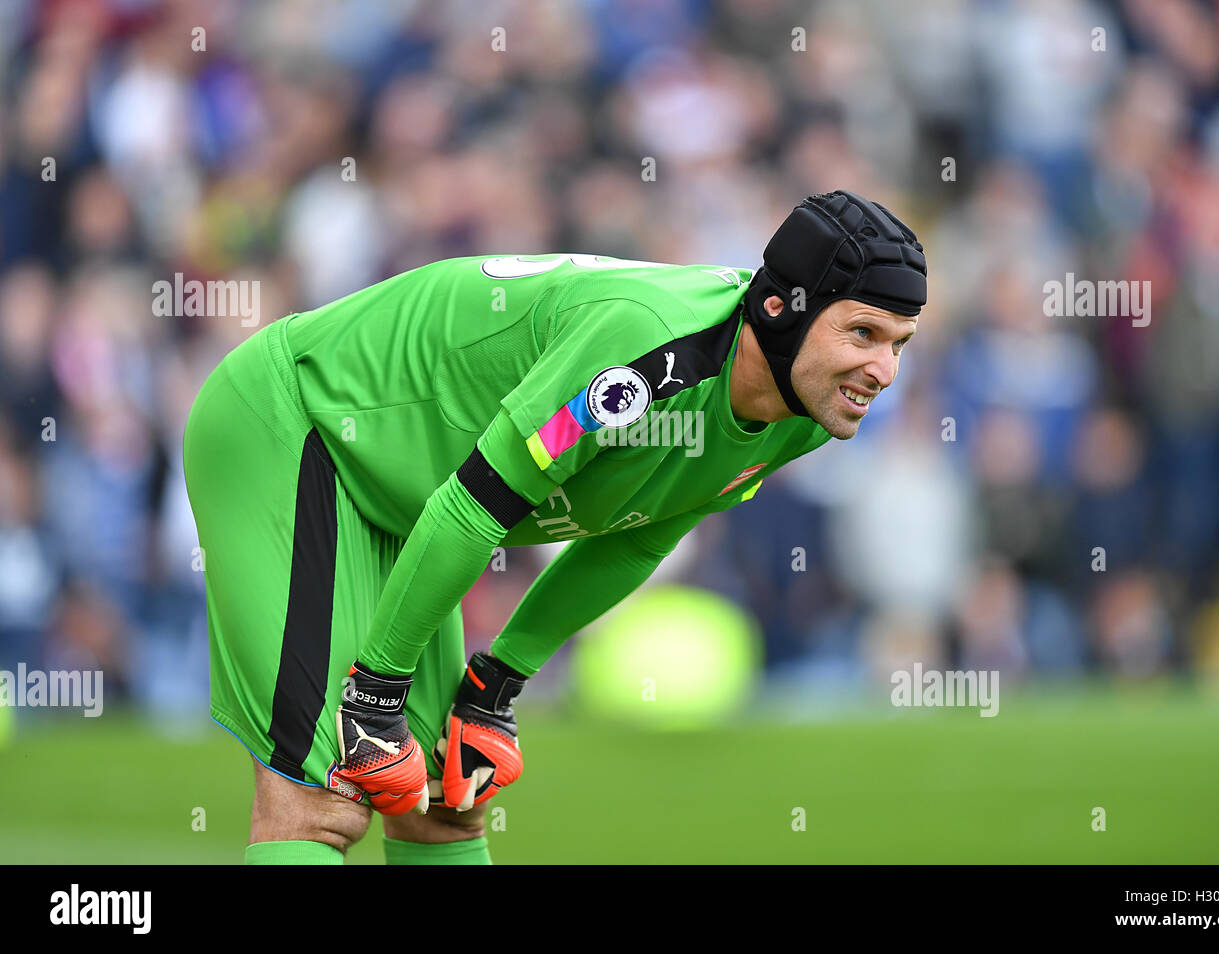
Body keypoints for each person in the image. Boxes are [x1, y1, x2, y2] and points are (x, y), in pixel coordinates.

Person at [181, 189, 927, 865]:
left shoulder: (799, 413)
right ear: (779, 310)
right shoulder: (644, 359)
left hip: (403, 491)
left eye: (899, 342)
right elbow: (474, 505)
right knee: (322, 803)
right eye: (862, 332)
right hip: (296, 426)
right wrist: (374, 691)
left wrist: (495, 685)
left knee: (445, 806)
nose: (884, 370)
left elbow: (640, 535)